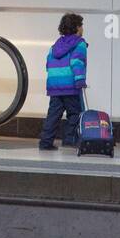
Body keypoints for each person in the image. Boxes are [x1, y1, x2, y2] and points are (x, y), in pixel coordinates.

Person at [40, 13, 88, 151]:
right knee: (75, 114)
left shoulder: (55, 45)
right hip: (70, 85)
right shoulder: (80, 43)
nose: (82, 28)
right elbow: (77, 62)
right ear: (77, 28)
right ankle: (69, 140)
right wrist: (80, 80)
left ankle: (45, 142)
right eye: (81, 25)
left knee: (53, 115)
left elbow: (48, 63)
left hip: (54, 85)